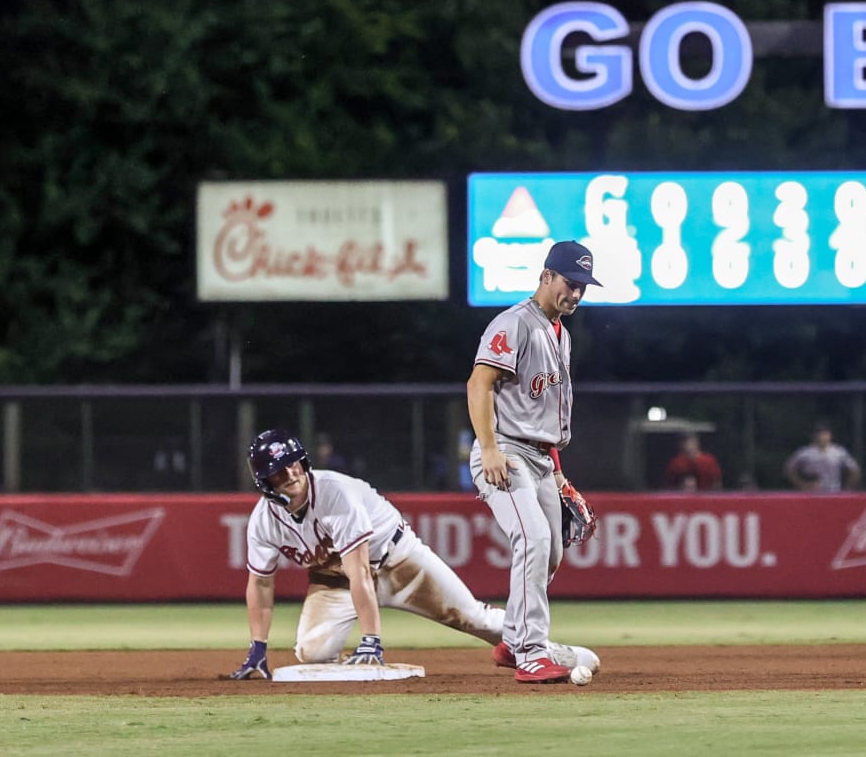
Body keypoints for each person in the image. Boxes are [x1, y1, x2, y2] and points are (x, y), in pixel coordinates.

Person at [228, 428, 600, 681]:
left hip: (398, 560)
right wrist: (257, 649)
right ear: (265, 482)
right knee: (310, 652)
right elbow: (260, 586)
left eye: (294, 463)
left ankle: (548, 651)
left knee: (474, 618)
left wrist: (371, 638)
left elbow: (361, 572)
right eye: (280, 470)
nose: (291, 473)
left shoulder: (334, 493)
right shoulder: (264, 521)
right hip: (335, 582)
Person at [466, 239, 600, 684]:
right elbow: (478, 384)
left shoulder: (561, 332)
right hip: (507, 448)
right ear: (546, 276)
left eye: (583, 286)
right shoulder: (514, 323)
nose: (576, 293)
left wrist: (560, 475)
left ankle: (510, 640)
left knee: (553, 552)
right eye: (570, 282)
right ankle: (530, 652)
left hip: (542, 457)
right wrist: (488, 448)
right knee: (535, 540)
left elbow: (546, 417)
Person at [783, 422, 861, 491]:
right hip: (811, 493)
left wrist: (848, 488)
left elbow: (854, 470)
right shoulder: (804, 453)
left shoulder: (838, 452)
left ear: (830, 435)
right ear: (814, 435)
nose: (822, 436)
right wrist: (802, 484)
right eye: (819, 433)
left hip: (833, 492)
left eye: (825, 433)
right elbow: (789, 469)